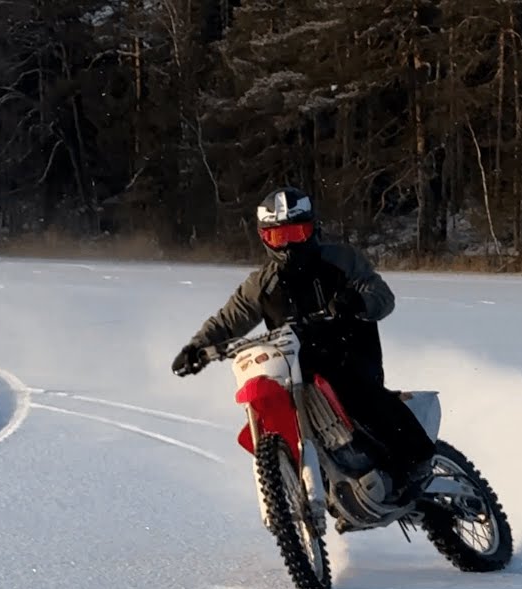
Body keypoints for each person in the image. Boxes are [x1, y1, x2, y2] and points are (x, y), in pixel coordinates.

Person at [171, 187, 437, 511]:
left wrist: (357, 300)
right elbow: (230, 318)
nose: (290, 244)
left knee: (361, 395)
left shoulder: (340, 260)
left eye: (297, 233)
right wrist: (197, 347)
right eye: (279, 236)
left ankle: (419, 460)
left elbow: (382, 296)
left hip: (350, 354)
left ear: (313, 229)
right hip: (296, 367)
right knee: (272, 403)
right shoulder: (262, 284)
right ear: (265, 239)